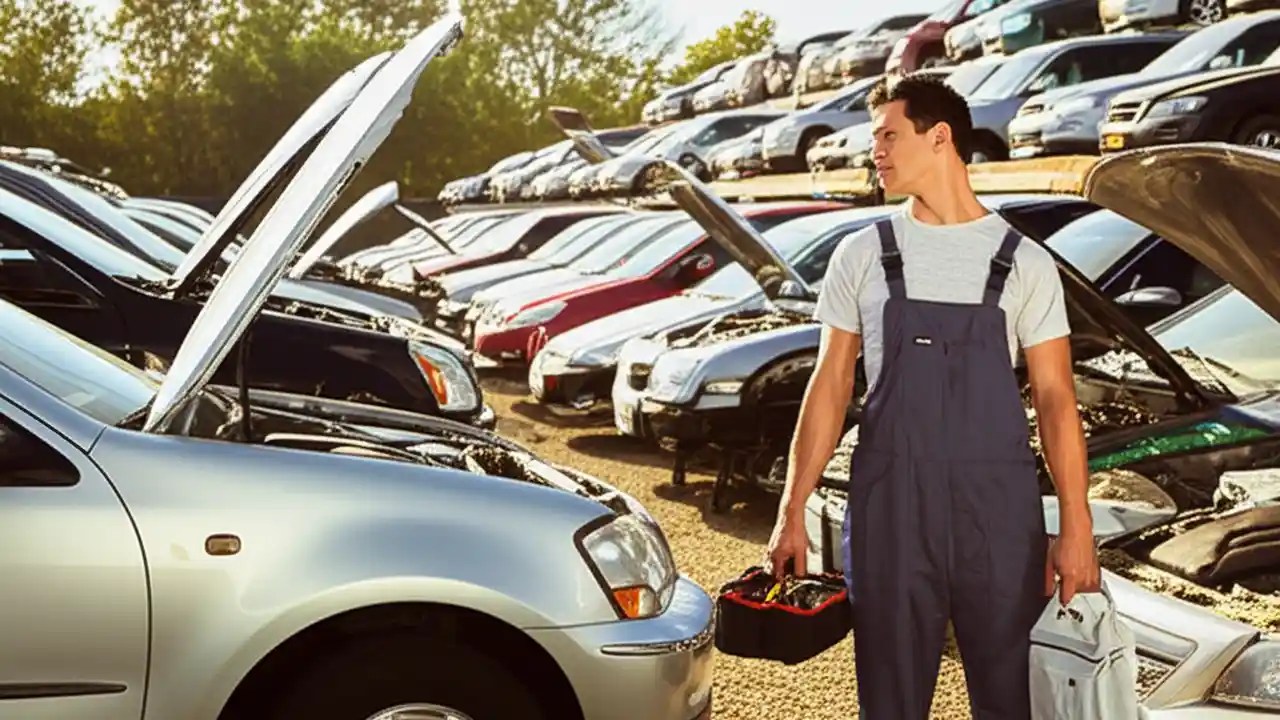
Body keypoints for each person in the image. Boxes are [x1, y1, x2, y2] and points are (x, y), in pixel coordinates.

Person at [765, 74, 1101, 719]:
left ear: (940, 137)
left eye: (889, 135)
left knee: (1010, 699)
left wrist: (1076, 525)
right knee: (889, 700)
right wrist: (792, 507)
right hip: (891, 507)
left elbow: (1057, 399)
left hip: (998, 516)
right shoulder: (863, 253)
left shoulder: (1023, 262)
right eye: (875, 139)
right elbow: (830, 383)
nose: (876, 152)